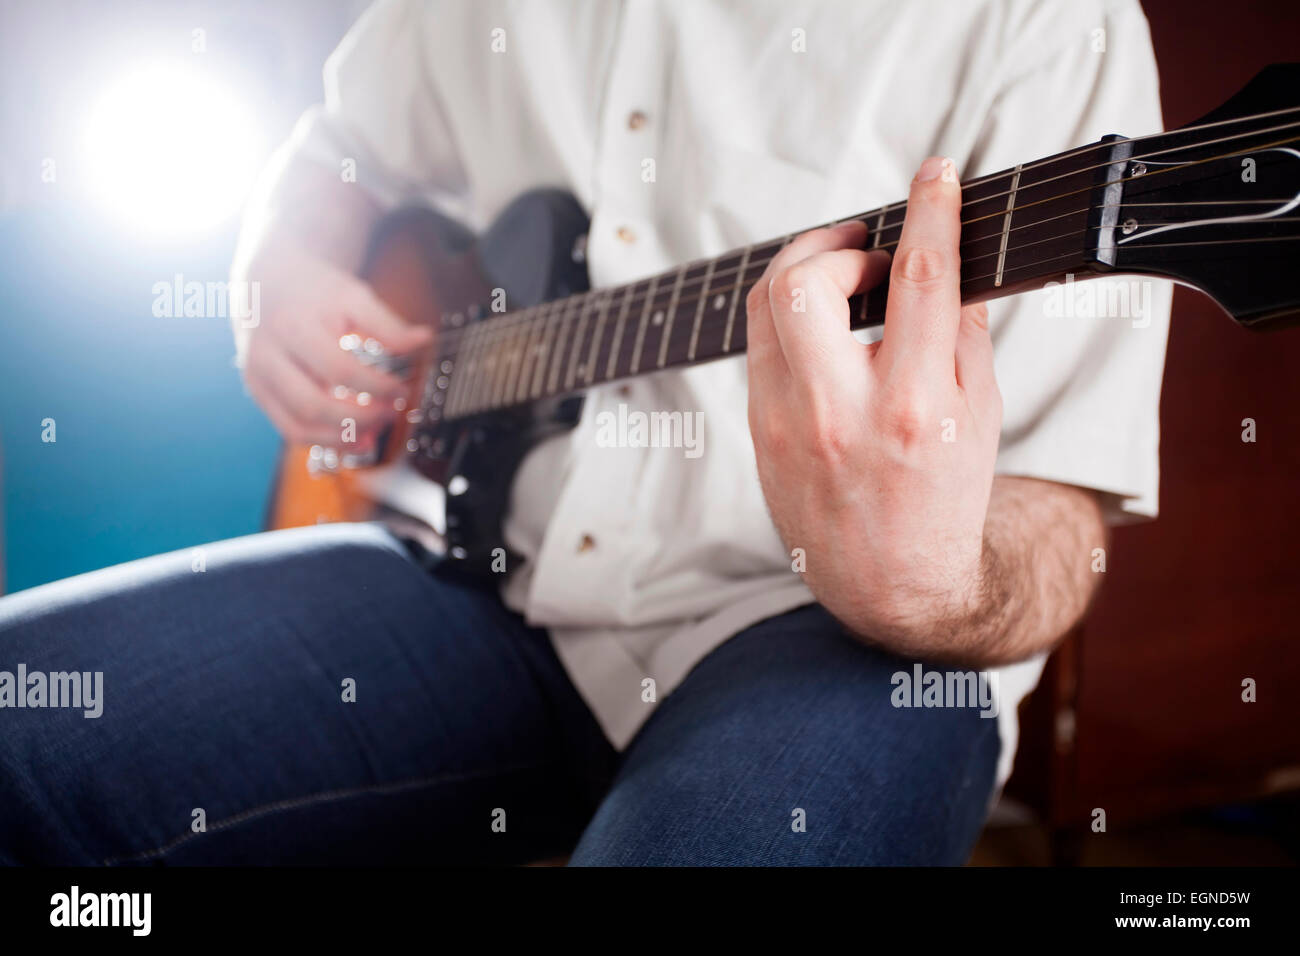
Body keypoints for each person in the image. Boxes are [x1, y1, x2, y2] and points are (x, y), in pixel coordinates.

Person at [0, 0, 1171, 865]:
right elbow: (340, 144)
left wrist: (932, 585)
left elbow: (1065, 514)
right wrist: (279, 260)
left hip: (837, 644)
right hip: (481, 579)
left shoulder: (1046, 24)